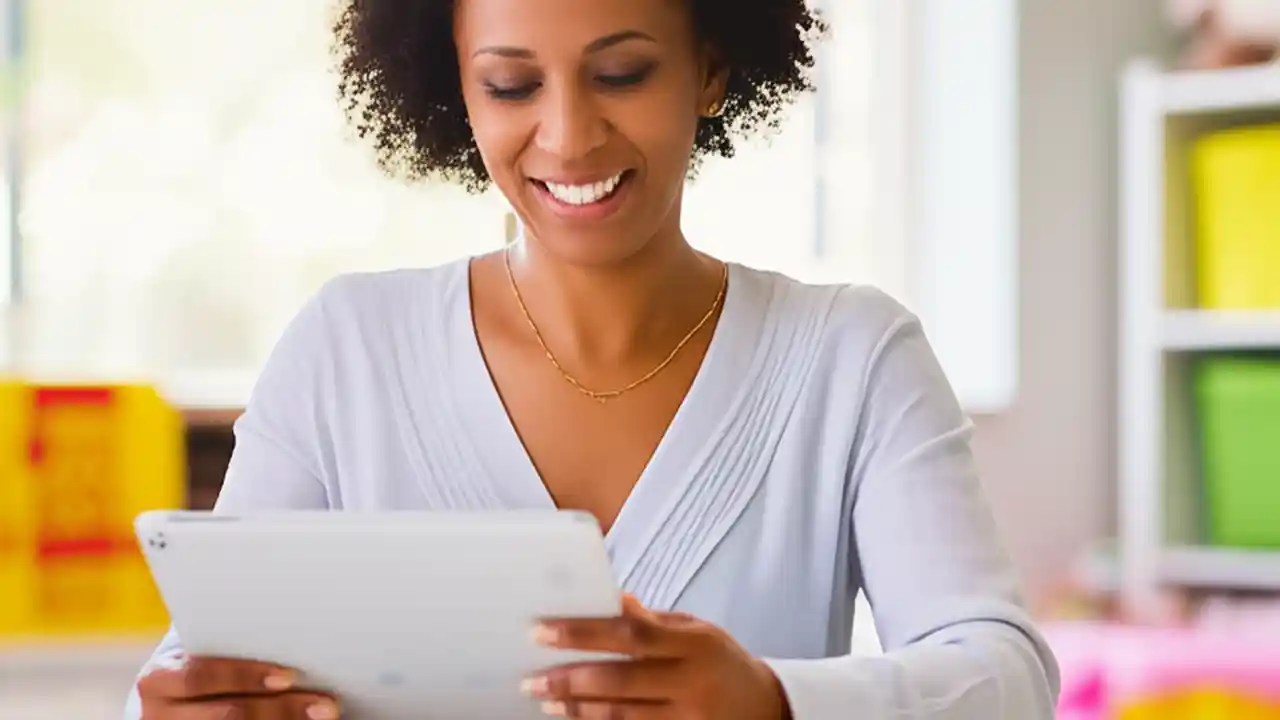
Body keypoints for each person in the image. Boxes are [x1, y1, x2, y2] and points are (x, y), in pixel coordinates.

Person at [126, 0, 1061, 718]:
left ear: (710, 66)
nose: (570, 136)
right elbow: (190, 668)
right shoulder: (347, 350)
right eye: (511, 85)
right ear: (454, 83)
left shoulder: (853, 359)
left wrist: (775, 701)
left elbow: (1004, 672)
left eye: (621, 72)